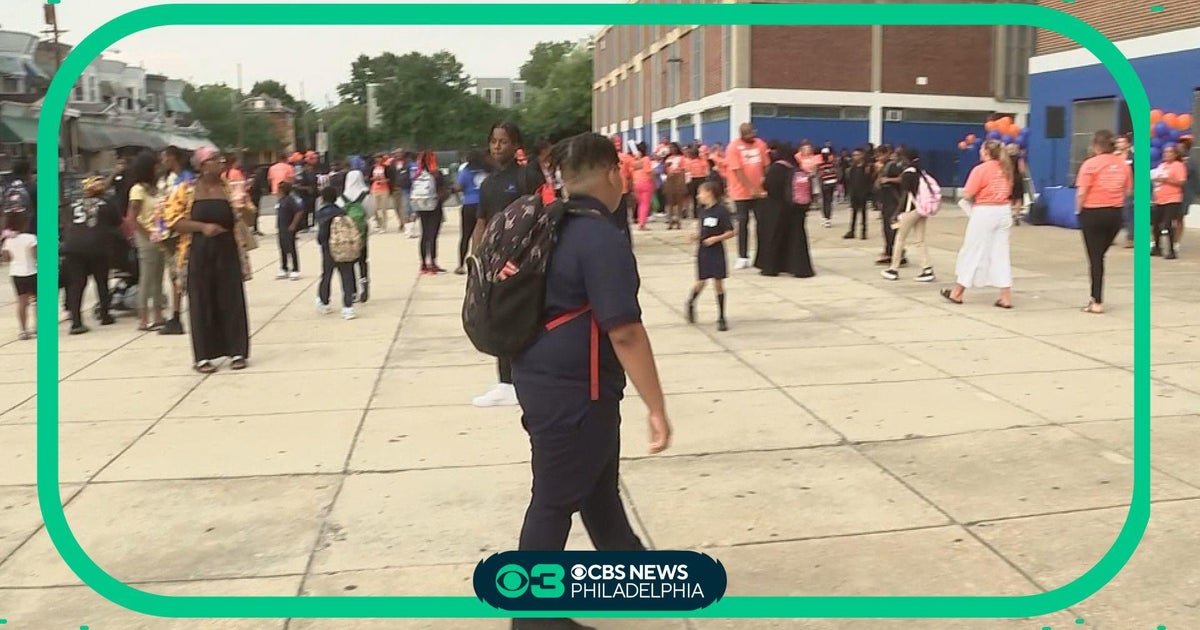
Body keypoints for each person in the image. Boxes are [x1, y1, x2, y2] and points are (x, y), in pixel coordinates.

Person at [508, 133, 670, 630]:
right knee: (555, 500)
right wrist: (657, 406)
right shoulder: (598, 236)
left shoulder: (552, 224)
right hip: (573, 389)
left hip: (551, 376)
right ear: (610, 172)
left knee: (598, 488)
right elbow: (623, 330)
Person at [471, 122, 546, 408]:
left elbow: (543, 208)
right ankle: (505, 382)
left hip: (526, 258)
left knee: (529, 316)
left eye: (503, 141)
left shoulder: (527, 176)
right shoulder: (488, 183)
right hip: (496, 262)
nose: (497, 146)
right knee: (500, 318)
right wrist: (476, 257)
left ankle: (529, 378)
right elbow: (482, 221)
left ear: (516, 145)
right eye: (493, 141)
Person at [163, 147, 252, 373]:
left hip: (227, 250)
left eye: (220, 159)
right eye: (214, 160)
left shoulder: (229, 189)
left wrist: (244, 209)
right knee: (201, 301)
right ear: (201, 165)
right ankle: (203, 356)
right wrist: (202, 227)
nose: (220, 163)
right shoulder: (185, 190)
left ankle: (237, 352)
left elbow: (248, 217)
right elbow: (171, 220)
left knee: (231, 299)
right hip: (198, 251)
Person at [941, 140, 1015, 309]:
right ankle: (1005, 296)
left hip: (985, 211)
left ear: (986, 152)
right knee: (1001, 253)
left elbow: (968, 193)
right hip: (1004, 211)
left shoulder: (980, 169)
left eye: (982, 149)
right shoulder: (1006, 169)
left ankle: (958, 292)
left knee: (972, 250)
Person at [1075, 130, 1133, 314]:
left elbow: (1082, 192)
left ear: (1096, 145)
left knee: (1096, 258)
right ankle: (1096, 297)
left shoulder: (1090, 164)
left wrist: (1078, 210)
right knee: (1100, 255)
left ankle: (1096, 300)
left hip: (1093, 212)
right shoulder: (1123, 165)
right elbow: (1129, 190)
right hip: (1114, 214)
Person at [61, 175, 122, 334]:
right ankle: (105, 314)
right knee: (101, 281)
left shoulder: (73, 204)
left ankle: (76, 322)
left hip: (73, 246)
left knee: (76, 284)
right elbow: (117, 223)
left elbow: (67, 223)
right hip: (98, 246)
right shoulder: (108, 203)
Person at [756, 143, 815, 279]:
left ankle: (772, 267)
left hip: (776, 209)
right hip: (796, 208)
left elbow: (768, 186)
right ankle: (800, 268)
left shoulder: (777, 167)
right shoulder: (795, 167)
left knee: (774, 237)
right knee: (796, 238)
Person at [881, 149, 936, 283]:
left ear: (906, 159)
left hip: (910, 210)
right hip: (922, 209)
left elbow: (905, 195)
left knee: (900, 239)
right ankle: (927, 268)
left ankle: (894, 269)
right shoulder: (920, 172)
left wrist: (896, 213)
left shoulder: (907, 174)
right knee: (920, 240)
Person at [687, 180, 735, 331]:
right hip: (703, 250)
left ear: (710, 193)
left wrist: (717, 238)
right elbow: (702, 230)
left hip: (716, 250)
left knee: (718, 283)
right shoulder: (702, 211)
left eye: (701, 192)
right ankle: (691, 302)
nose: (698, 196)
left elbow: (731, 231)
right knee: (701, 281)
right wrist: (695, 236)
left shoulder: (721, 211)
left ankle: (721, 316)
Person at [157, 146, 191, 336]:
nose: (163, 161)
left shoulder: (186, 180)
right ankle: (175, 315)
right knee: (174, 276)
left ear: (173, 158)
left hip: (180, 232)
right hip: (167, 232)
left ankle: (178, 316)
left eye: (165, 157)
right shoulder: (167, 179)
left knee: (181, 275)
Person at [726, 123, 770, 269]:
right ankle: (742, 256)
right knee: (743, 223)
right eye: (748, 134)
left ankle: (763, 255)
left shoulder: (760, 144)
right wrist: (750, 188)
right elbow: (737, 170)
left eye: (753, 133)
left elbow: (766, 165)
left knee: (762, 223)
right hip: (741, 192)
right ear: (742, 134)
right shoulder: (733, 147)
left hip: (760, 192)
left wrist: (765, 183)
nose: (752, 136)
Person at [315, 186, 358, 320]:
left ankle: (324, 301)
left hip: (329, 248)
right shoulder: (342, 212)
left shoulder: (322, 213)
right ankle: (348, 307)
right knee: (346, 276)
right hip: (344, 246)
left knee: (327, 275)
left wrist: (321, 242)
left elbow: (322, 234)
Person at [1, 212, 36, 340]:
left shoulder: (8, 240)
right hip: (31, 271)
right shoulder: (30, 238)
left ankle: (23, 330)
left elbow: (6, 259)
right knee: (37, 301)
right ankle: (37, 326)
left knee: (22, 302)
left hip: (16, 273)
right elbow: (36, 255)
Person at [413, 151, 449, 274]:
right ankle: (432, 263)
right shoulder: (437, 174)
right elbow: (445, 190)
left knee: (424, 235)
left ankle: (423, 264)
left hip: (421, 207)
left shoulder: (418, 174)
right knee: (433, 235)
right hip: (435, 207)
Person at [456, 150, 490, 274]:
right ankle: (481, 261)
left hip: (469, 204)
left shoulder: (466, 171)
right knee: (484, 235)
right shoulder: (486, 170)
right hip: (484, 205)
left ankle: (460, 265)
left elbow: (459, 186)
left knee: (465, 236)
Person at [340, 170, 371, 302]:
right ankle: (364, 283)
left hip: (347, 232)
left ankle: (352, 291)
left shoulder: (342, 198)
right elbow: (370, 212)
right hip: (362, 231)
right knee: (362, 260)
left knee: (349, 261)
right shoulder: (366, 195)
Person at [1151, 144, 1186, 259]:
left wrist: (1167, 180)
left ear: (1175, 154)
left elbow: (1181, 182)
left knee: (1167, 224)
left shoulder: (1178, 166)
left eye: (1169, 152)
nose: (1166, 154)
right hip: (1159, 199)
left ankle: (1171, 250)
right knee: (1155, 224)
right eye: (1165, 152)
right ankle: (1157, 247)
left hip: (1172, 199)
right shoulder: (1162, 165)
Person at [876, 145, 908, 266]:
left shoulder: (893, 166)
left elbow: (901, 179)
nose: (878, 158)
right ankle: (889, 252)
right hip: (886, 201)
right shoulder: (883, 166)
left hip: (893, 202)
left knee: (893, 229)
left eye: (880, 155)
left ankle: (899, 253)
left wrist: (888, 180)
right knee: (886, 229)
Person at [275, 180, 303, 279]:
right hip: (281, 228)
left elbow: (299, 211)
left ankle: (295, 269)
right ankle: (284, 268)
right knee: (282, 248)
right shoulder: (280, 200)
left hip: (288, 228)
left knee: (291, 248)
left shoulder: (290, 200)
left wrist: (293, 225)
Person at [843, 148, 873, 240]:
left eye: (857, 155)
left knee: (863, 213)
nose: (855, 157)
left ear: (862, 155)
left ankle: (863, 231)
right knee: (854, 212)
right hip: (854, 193)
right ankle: (852, 231)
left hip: (863, 193)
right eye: (854, 155)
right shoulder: (852, 169)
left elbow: (870, 180)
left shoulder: (866, 168)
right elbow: (850, 181)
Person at [1114, 134, 1135, 248]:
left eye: (1122, 142)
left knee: (1127, 213)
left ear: (1128, 144)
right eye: (1118, 142)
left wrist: (1132, 188)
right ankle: (1110, 236)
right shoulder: (1113, 157)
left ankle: (1130, 238)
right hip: (1113, 189)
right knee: (1114, 214)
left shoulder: (1132, 157)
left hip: (1127, 188)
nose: (1119, 144)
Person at [1177, 137, 1198, 250]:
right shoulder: (1173, 161)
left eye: (1180, 147)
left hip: (1185, 195)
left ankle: (1176, 242)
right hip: (1171, 194)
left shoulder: (1190, 162)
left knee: (1179, 218)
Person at [631, 143, 655, 230]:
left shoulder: (634, 161)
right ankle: (642, 224)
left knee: (640, 204)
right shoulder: (646, 159)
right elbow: (648, 171)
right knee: (645, 204)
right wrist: (653, 179)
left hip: (636, 183)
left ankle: (640, 220)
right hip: (646, 182)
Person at [816, 147, 840, 228]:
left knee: (826, 201)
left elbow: (819, 176)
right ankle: (828, 218)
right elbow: (836, 174)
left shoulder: (820, 165)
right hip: (832, 184)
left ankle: (827, 218)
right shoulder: (833, 165)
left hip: (826, 184)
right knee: (829, 201)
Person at [370, 155, 392, 234]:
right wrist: (374, 178)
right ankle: (378, 223)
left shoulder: (385, 167)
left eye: (379, 159)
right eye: (376, 159)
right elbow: (370, 178)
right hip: (375, 189)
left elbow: (389, 178)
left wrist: (384, 180)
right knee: (375, 209)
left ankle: (384, 226)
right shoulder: (373, 167)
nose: (378, 160)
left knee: (383, 209)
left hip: (384, 189)